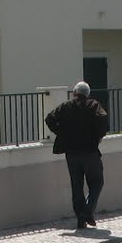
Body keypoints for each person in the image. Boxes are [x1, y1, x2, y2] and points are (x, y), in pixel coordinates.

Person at [45, 81, 109, 231]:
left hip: (72, 153)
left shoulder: (66, 106)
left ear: (74, 93)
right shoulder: (93, 105)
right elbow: (103, 121)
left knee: (77, 186)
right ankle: (87, 212)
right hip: (90, 152)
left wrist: (62, 133)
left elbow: (49, 119)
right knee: (97, 182)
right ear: (87, 94)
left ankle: (81, 219)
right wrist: (98, 136)